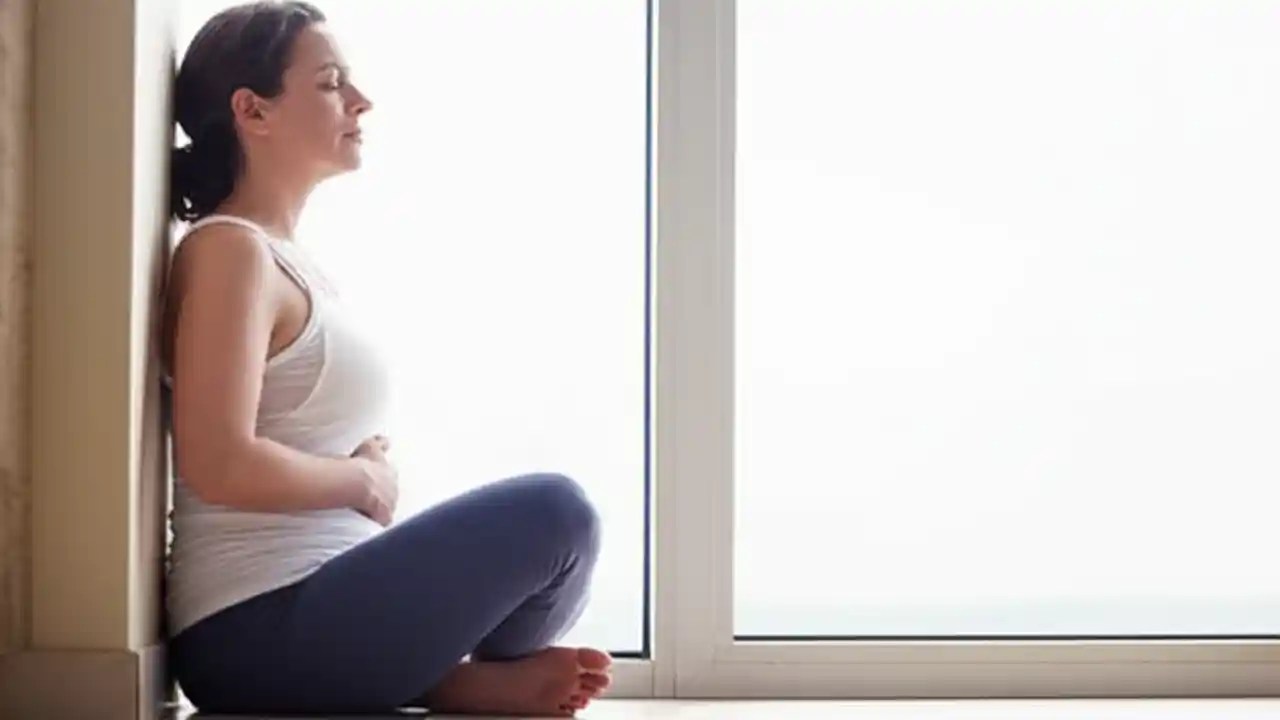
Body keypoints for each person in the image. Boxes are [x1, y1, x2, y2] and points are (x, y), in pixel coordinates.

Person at [161, 2, 613, 714]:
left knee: (568, 530)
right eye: (330, 82)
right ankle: (453, 682)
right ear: (253, 111)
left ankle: (445, 678)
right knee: (556, 512)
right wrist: (362, 479)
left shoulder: (287, 260)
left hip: (316, 601)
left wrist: (359, 466)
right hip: (255, 628)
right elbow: (217, 461)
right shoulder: (230, 251)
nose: (360, 100)